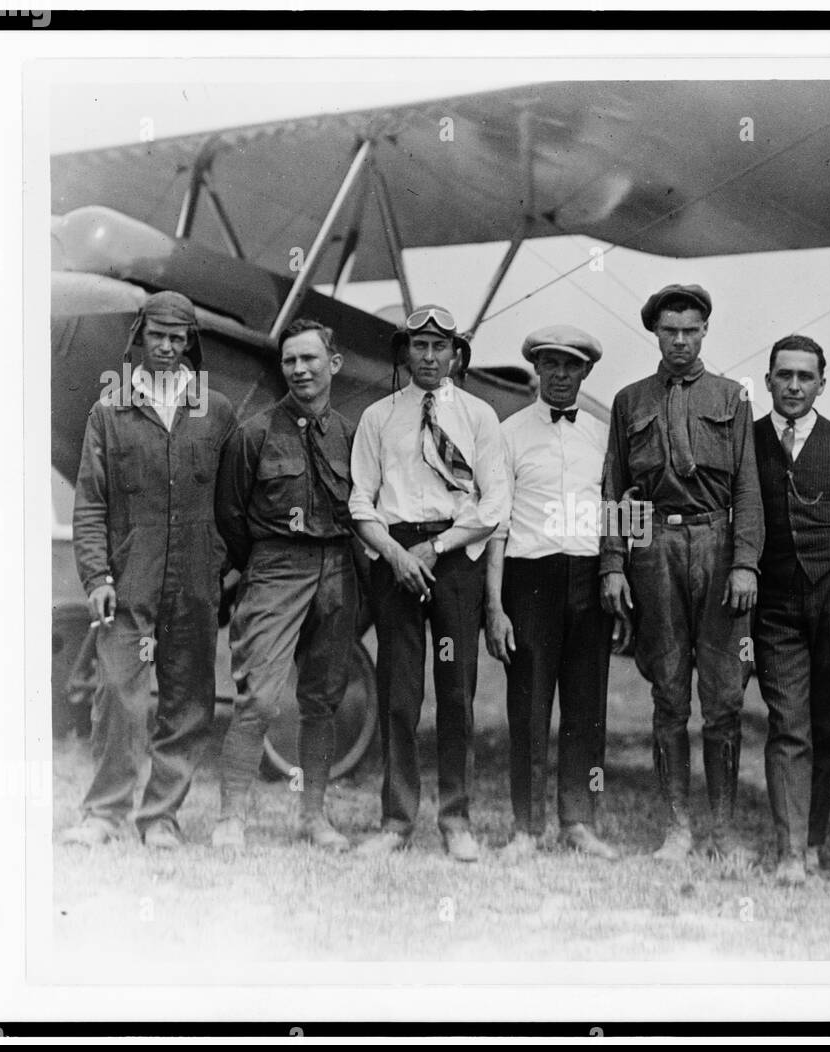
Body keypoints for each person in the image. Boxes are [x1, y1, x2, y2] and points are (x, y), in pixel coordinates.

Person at [62, 290, 235, 850]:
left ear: (191, 342)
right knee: (117, 693)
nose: (166, 345)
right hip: (127, 583)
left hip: (193, 586)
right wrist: (96, 578)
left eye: (177, 336)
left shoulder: (218, 411)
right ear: (139, 336)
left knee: (188, 701)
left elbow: (235, 504)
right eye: (157, 334)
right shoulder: (109, 412)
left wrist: (220, 567)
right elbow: (89, 503)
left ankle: (162, 815)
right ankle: (104, 814)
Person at [600, 284, 764, 862]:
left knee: (723, 698)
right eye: (670, 331)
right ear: (655, 333)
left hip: (718, 546)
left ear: (705, 332)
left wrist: (745, 562)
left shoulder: (732, 397)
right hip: (655, 546)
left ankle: (721, 831)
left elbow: (747, 485)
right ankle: (678, 828)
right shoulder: (630, 401)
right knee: (668, 693)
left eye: (691, 330)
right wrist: (614, 564)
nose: (681, 341)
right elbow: (616, 489)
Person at [349, 305, 508, 862]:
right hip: (395, 561)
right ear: (404, 352)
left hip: (454, 559)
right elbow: (359, 501)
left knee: (456, 694)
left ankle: (457, 819)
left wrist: (435, 548)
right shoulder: (378, 418)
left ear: (456, 355)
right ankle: (396, 820)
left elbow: (493, 506)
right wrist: (394, 552)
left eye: (441, 347)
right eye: (419, 346)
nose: (430, 356)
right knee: (398, 693)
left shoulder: (480, 417)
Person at [211, 318, 359, 852]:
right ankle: (231, 819)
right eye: (290, 361)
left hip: (337, 569)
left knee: (322, 698)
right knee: (259, 698)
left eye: (310, 359)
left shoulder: (350, 435)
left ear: (333, 365)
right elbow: (230, 516)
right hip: (274, 570)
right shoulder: (253, 434)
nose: (299, 370)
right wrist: (267, 565)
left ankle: (313, 817)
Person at [485, 325, 619, 861]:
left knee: (587, 709)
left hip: (589, 576)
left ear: (586, 372)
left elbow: (617, 513)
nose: (560, 376)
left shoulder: (604, 435)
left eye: (571, 366)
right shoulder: (507, 433)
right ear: (536, 370)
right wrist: (494, 606)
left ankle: (579, 823)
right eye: (550, 365)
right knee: (529, 705)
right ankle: (527, 827)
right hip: (528, 578)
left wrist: (618, 574)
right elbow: (495, 524)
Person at [752, 335, 830, 885]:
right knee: (787, 722)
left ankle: (815, 839)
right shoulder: (746, 441)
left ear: (822, 383)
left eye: (805, 376)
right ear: (768, 379)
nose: (793, 386)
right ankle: (790, 852)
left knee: (827, 722)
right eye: (783, 375)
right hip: (774, 601)